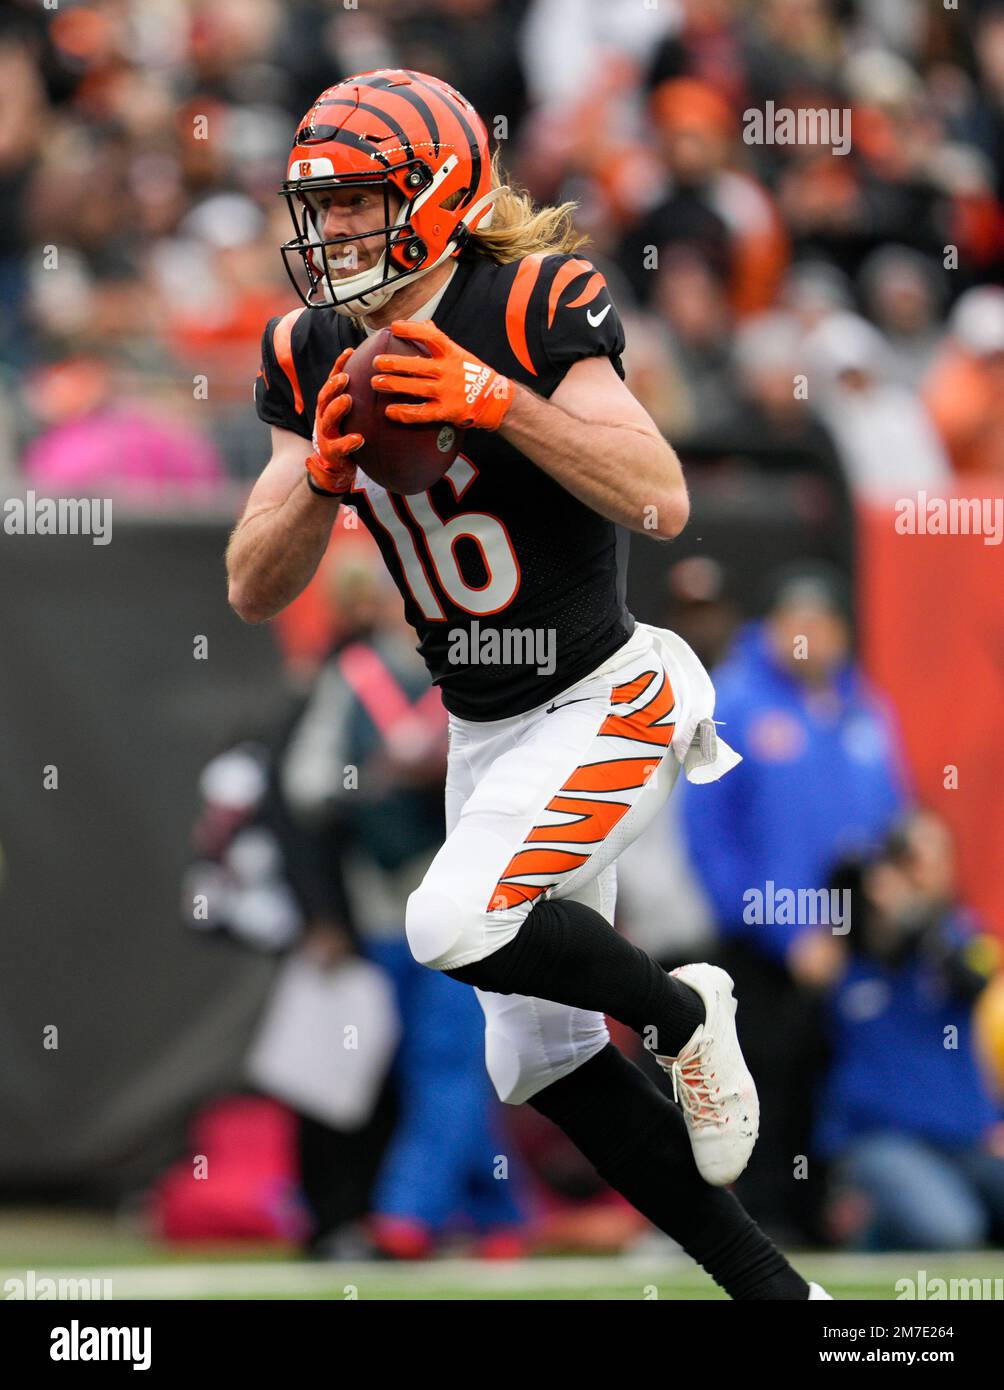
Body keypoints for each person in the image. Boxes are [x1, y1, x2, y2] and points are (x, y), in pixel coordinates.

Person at [226, 67, 829, 1299]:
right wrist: (319, 478)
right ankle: (782, 1299)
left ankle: (675, 1010)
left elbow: (659, 494)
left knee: (450, 923)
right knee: (538, 1064)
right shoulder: (309, 349)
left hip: (609, 693)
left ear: (440, 192)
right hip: (480, 730)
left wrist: (493, 399)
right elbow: (250, 582)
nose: (332, 232)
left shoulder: (528, 299)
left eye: (357, 203)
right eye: (320, 207)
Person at [818, 819, 1004, 1251]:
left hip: (966, 1139)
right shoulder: (849, 955)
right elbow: (837, 892)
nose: (924, 876)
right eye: (912, 864)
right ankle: (867, 1232)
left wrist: (919, 912)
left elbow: (974, 976)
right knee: (951, 1230)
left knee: (965, 1213)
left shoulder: (960, 938)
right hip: (881, 1140)